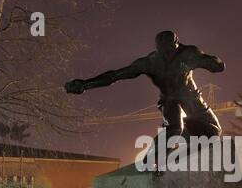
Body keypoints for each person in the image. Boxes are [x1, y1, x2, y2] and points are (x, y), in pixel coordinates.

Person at [65, 30, 225, 136]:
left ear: (177, 45)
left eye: (171, 51)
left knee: (214, 131)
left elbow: (216, 65)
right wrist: (85, 84)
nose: (168, 56)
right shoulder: (149, 62)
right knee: (174, 128)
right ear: (158, 50)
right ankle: (154, 159)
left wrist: (213, 63)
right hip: (169, 99)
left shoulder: (188, 53)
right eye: (164, 52)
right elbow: (114, 76)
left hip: (190, 97)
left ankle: (184, 138)